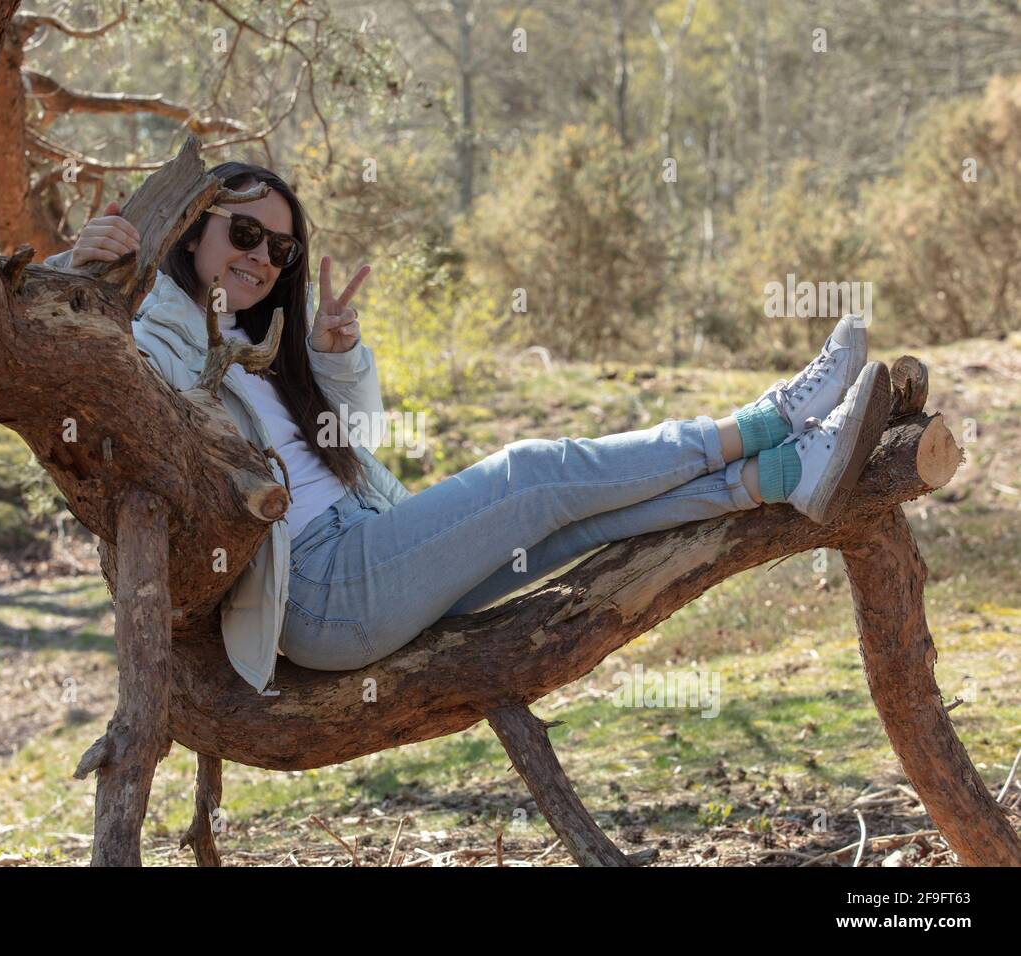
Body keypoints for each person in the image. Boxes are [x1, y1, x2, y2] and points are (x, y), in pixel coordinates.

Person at [47, 161, 888, 694]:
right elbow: (55, 352)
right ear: (192, 230)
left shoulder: (254, 348)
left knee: (573, 521)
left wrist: (333, 359)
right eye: (246, 233)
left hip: (372, 544)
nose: (265, 257)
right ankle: (770, 418)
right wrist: (87, 266)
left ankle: (781, 476)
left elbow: (357, 447)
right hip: (319, 591)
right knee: (532, 470)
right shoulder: (159, 332)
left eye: (283, 250)